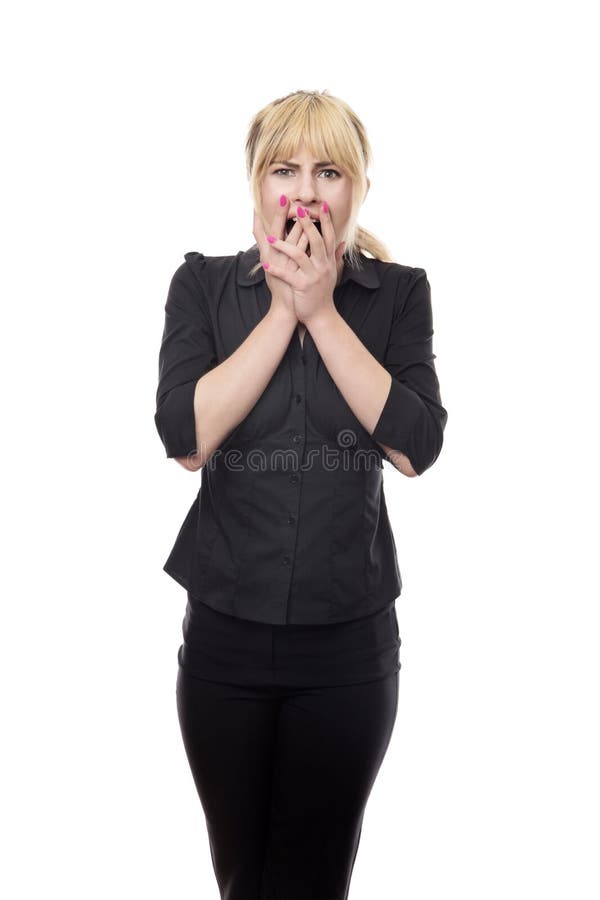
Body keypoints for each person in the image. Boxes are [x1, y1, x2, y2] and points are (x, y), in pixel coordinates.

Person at [154, 89, 448, 900]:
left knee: (314, 882)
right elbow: (185, 437)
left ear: (357, 188)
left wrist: (321, 311)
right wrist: (283, 312)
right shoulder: (203, 287)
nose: (308, 191)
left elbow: (416, 447)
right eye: (285, 169)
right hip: (224, 643)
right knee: (244, 879)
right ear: (257, 186)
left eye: (329, 171)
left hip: (348, 649)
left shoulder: (399, 295)